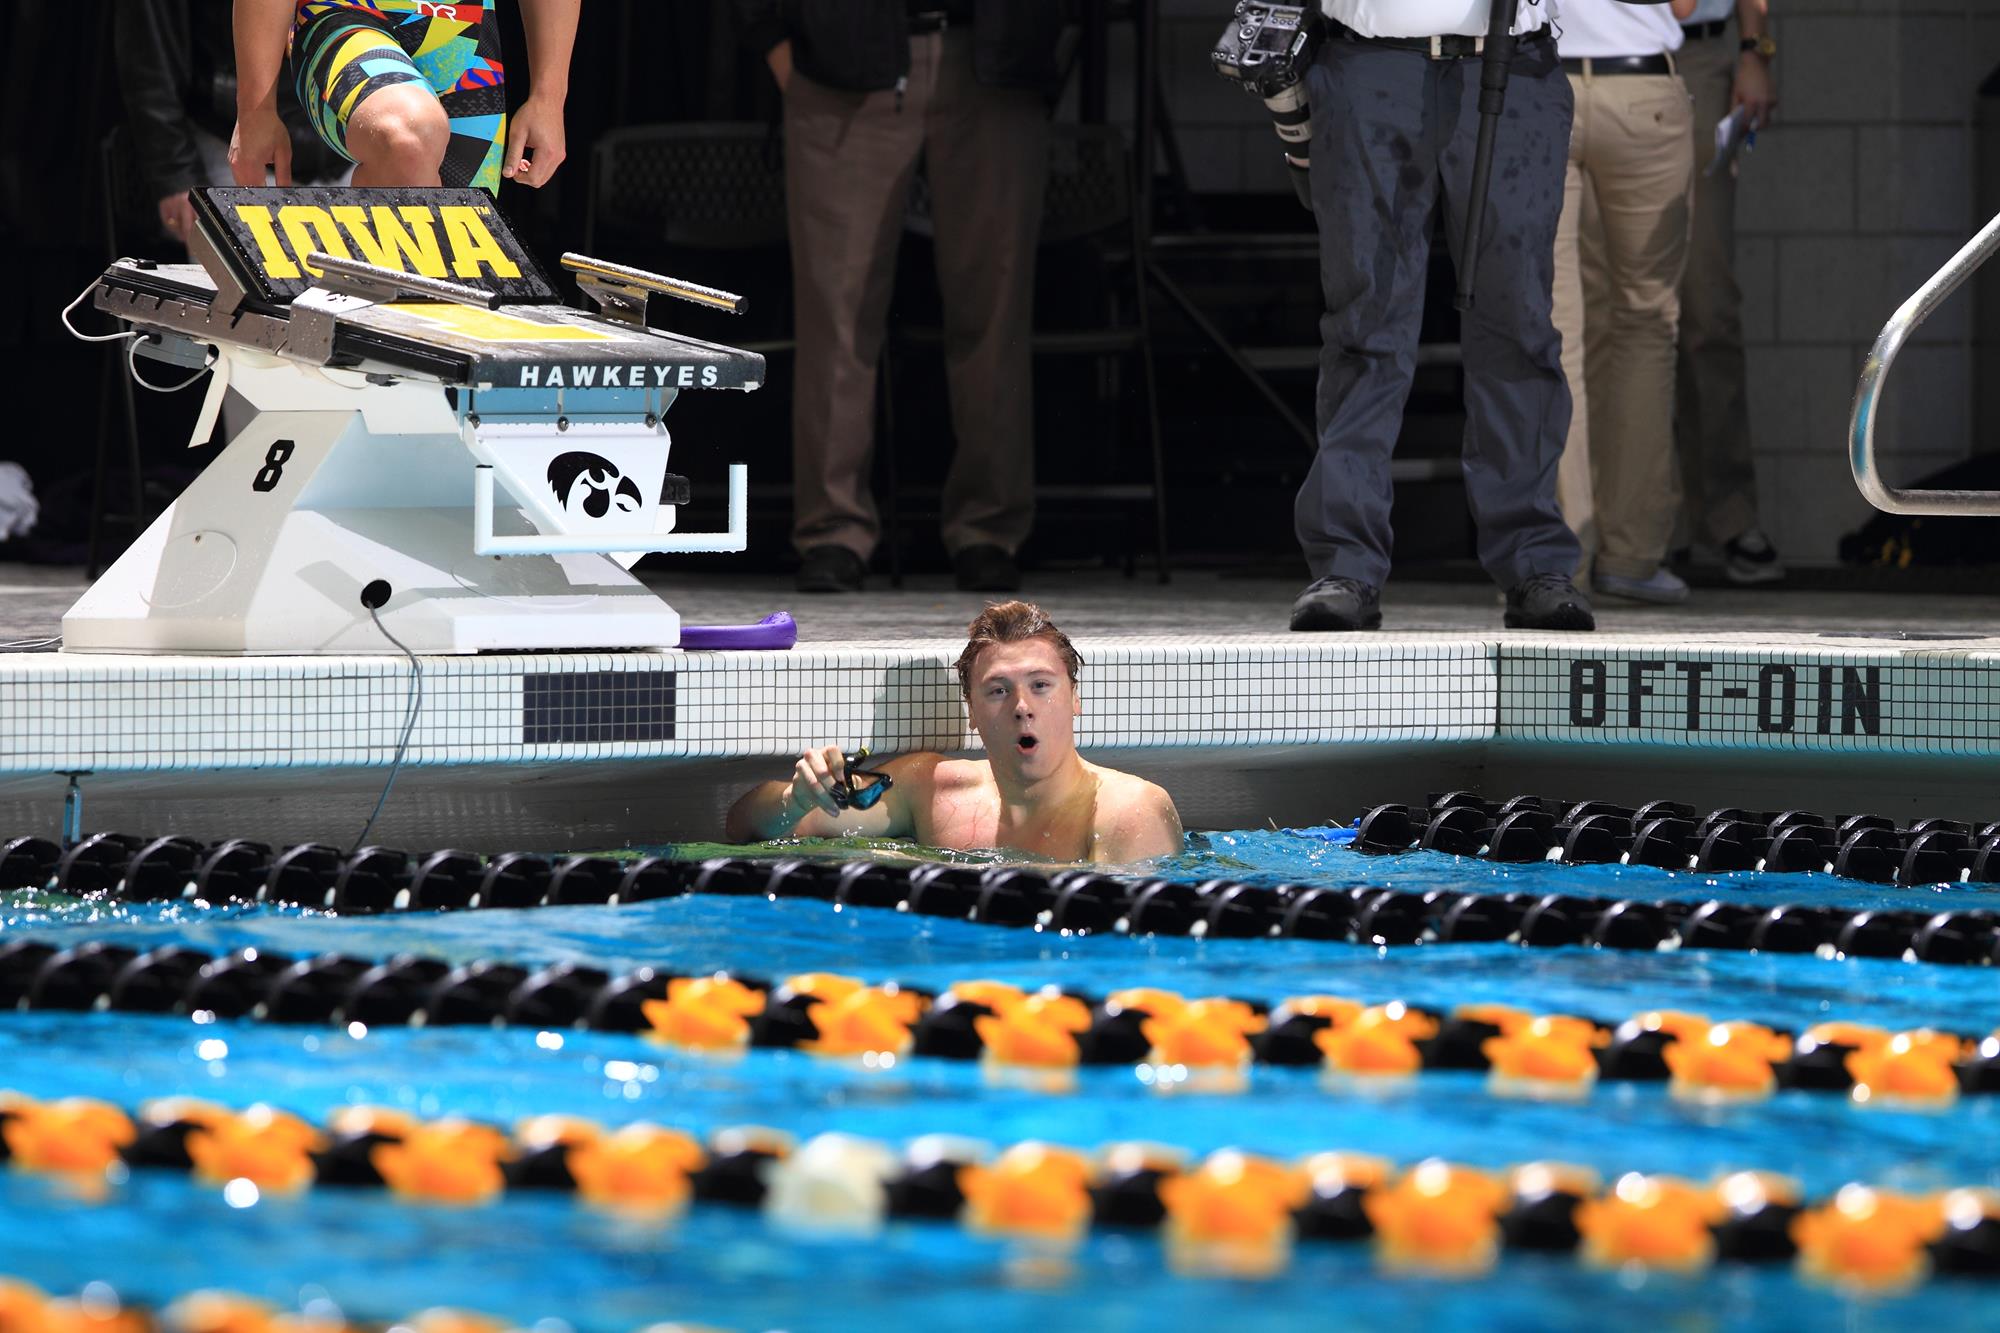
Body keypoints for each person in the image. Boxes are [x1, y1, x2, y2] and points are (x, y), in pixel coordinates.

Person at [731, 2, 1066, 595]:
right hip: (842, 63)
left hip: (996, 58)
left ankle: (989, 528)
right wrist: (778, 44)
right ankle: (833, 528)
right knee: (837, 312)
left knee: (995, 311)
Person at [1289, 0, 1596, 634]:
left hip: (1515, 69)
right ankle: (1346, 563)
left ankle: (1533, 559)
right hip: (1368, 63)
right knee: (1363, 328)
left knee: (1518, 330)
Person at [725, 601, 1183, 863]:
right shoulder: (934, 789)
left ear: (1074, 698)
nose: (1023, 708)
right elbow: (744, 823)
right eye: (998, 690)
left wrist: (926, 863)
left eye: (1041, 686)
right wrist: (797, 801)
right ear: (972, 712)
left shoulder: (1127, 811)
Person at [1553, 0, 1701, 605]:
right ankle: (1631, 553)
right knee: (1644, 326)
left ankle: (1557, 558)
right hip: (1642, 91)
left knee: (1551, 332)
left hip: (1538, 89)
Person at [229, 0, 581, 195]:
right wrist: (255, 110)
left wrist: (548, 97)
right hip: (345, 15)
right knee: (411, 134)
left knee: (460, 279)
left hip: (465, 34)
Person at [1674, 0, 1783, 584]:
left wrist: (1754, 49)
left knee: (1707, 304)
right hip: (1588, 58)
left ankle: (1727, 514)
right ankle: (1639, 524)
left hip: (1700, 53)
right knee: (1609, 311)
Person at [114, 0, 340, 250]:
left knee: (355, 284)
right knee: (250, 283)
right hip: (228, 140)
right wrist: (175, 173)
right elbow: (148, 52)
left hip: (342, 142)